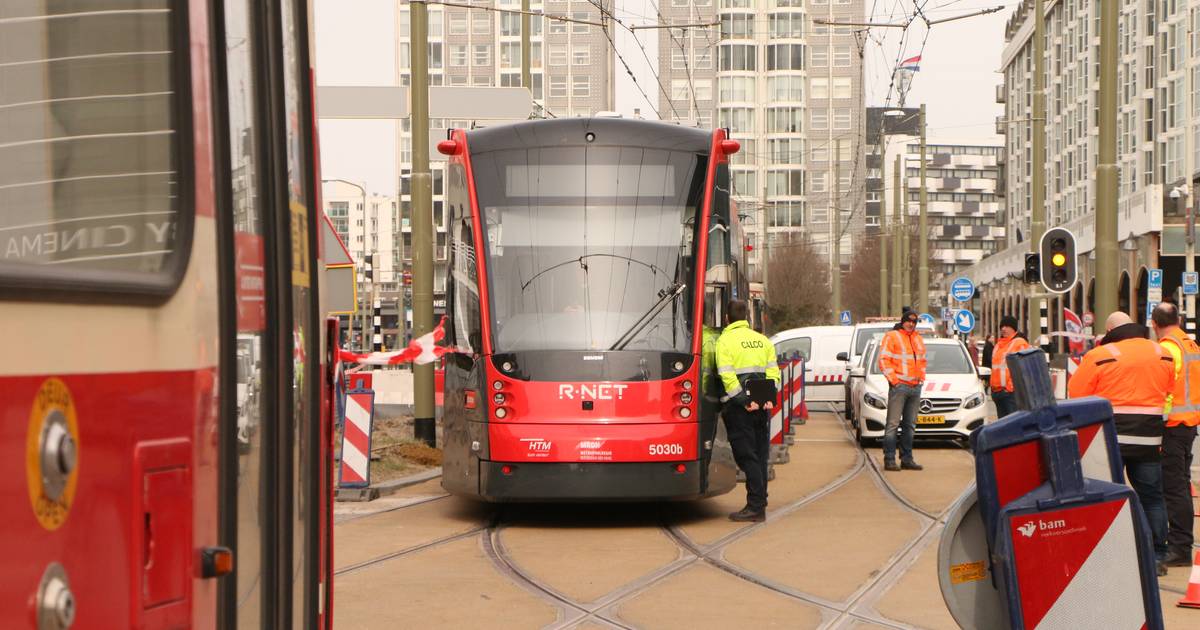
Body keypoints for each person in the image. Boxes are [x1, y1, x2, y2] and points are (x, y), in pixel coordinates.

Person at [1068, 311, 1175, 574]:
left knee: (1107, 496)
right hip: (1149, 439)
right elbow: (1169, 389)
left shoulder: (1100, 355)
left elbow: (1077, 394)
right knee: (1152, 496)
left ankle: (1111, 554)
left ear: (1111, 331)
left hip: (1109, 439)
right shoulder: (1162, 353)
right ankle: (1158, 554)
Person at [716, 299, 781, 522]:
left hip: (739, 407)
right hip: (762, 403)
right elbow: (773, 373)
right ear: (747, 317)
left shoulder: (724, 341)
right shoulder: (762, 341)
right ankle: (760, 502)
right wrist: (765, 399)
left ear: (727, 318)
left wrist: (743, 400)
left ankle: (755, 506)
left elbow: (726, 375)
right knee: (760, 453)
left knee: (746, 456)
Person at [1150, 302, 1200, 567]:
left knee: (1174, 488)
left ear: (1154, 324)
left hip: (1172, 426)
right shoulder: (1190, 344)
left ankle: (1179, 548)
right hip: (1188, 424)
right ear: (1178, 320)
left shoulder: (1169, 348)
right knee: (1180, 484)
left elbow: (1164, 386)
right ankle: (1182, 543)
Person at [878, 307, 927, 472]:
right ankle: (890, 459)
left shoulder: (918, 338)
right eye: (908, 321)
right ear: (902, 321)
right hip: (899, 387)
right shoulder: (892, 336)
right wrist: (894, 381)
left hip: (915, 387)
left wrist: (921, 379)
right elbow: (884, 360)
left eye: (914, 322)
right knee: (893, 424)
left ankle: (907, 459)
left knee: (909, 425)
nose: (911, 324)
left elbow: (922, 361)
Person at [990, 316, 1030, 418]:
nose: (1003, 328)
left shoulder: (1019, 343)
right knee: (1003, 426)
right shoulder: (998, 345)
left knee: (1013, 425)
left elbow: (1024, 368)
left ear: (1014, 328)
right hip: (997, 393)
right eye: (1002, 326)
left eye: (1007, 326)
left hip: (1010, 393)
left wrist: (1010, 387)